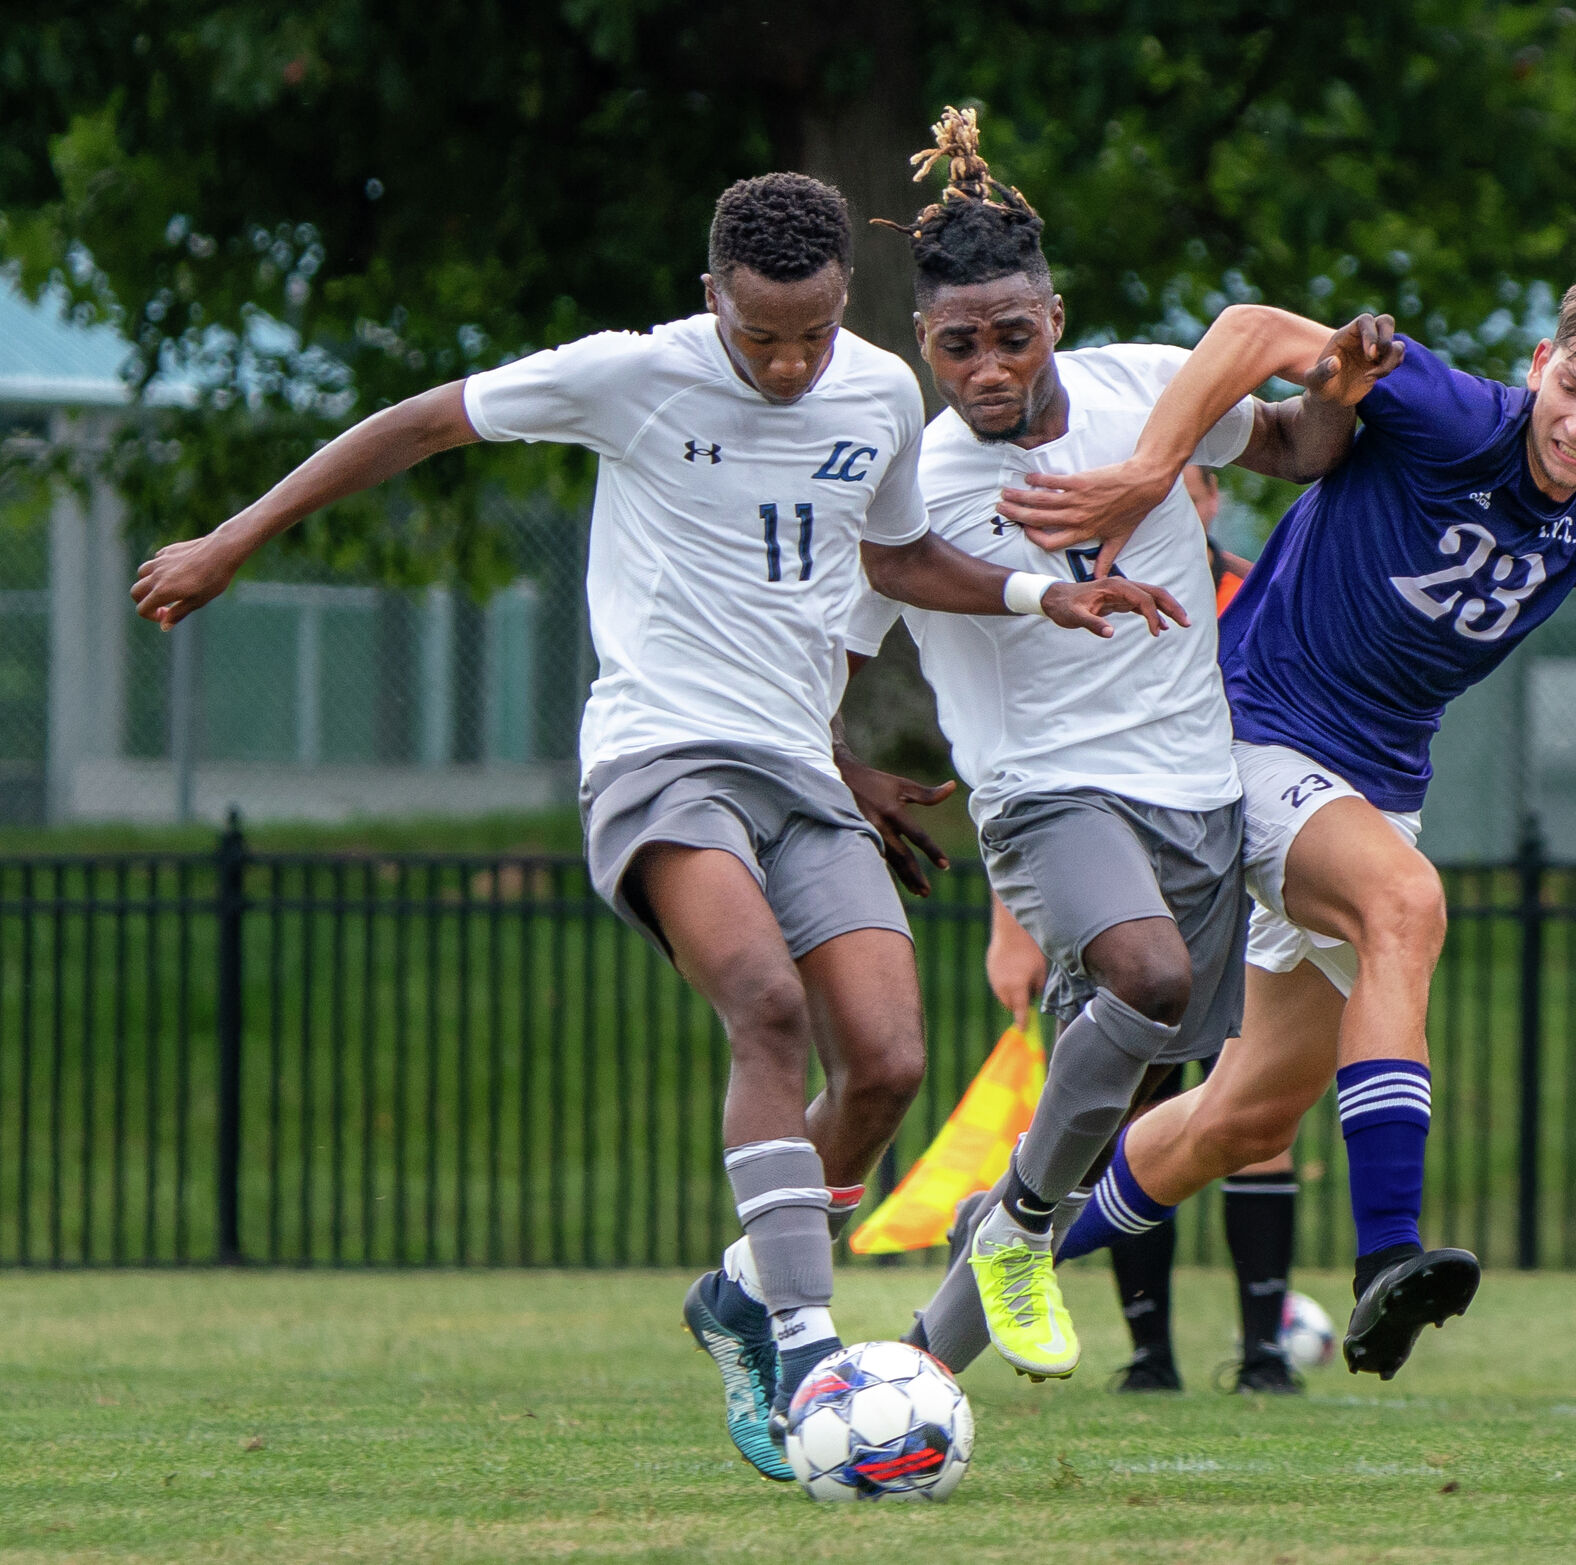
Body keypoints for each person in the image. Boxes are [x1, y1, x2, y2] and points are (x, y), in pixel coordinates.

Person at [129, 170, 1180, 1481]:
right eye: (761, 338)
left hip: (799, 768)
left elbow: (895, 560)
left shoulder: (872, 392)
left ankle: (742, 1288)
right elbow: (416, 425)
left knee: (889, 1063)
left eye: (811, 331)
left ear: (846, 303)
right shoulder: (631, 375)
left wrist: (1037, 595)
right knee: (766, 1006)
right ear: (710, 303)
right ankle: (803, 1351)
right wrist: (234, 538)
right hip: (661, 757)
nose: (791, 363)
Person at [1009, 257, 1576, 1380]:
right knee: (1403, 904)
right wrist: (1144, 473)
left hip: (1364, 792)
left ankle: (1002, 1245)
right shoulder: (1457, 415)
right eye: (1572, 395)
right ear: (1540, 365)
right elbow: (1254, 328)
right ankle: (1385, 1260)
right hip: (1253, 734)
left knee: (1246, 1117)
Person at [839, 108, 1382, 1383]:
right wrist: (838, 762)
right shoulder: (908, 480)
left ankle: (919, 1365)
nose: (984, 366)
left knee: (1108, 1117)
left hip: (1194, 789)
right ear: (921, 340)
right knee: (1139, 981)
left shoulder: (1149, 388)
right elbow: (842, 634)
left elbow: (1303, 448)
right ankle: (1023, 1229)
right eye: (955, 343)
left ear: (1056, 318)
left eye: (1009, 336)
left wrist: (1343, 384)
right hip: (1043, 796)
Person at [986, 467, 1303, 1396]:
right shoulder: (1086, 599)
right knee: (1126, 1107)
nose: (1182, 497)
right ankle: (1149, 1353)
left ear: (1205, 501)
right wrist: (1011, 926)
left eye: (1199, 485)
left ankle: (1265, 1353)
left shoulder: (1257, 591)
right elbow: (1036, 763)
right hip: (1125, 873)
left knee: (1251, 1114)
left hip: (1247, 867)